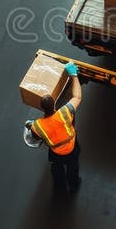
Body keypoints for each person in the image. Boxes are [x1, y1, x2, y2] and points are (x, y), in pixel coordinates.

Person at [26, 62, 83, 194]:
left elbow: (34, 137)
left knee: (56, 169)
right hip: (72, 149)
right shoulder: (64, 113)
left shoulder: (37, 125)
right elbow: (77, 96)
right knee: (73, 167)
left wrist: (30, 125)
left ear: (42, 108)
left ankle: (59, 187)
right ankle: (74, 185)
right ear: (54, 105)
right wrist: (74, 75)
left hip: (56, 153)